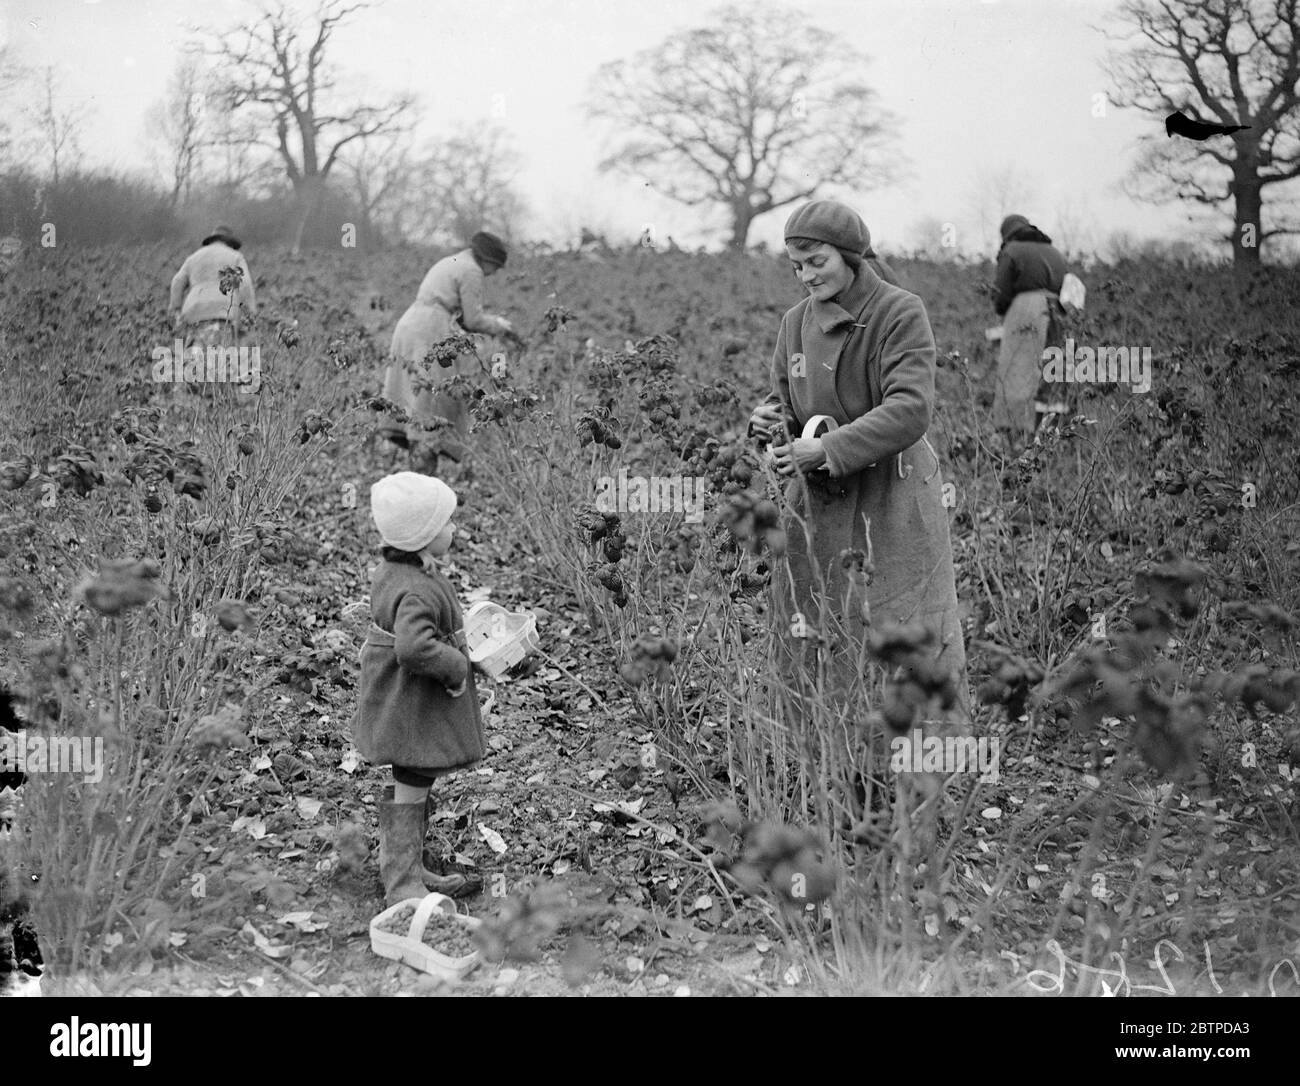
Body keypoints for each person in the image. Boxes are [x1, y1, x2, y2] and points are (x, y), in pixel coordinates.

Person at [749, 200, 970, 737]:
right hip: (820, 504)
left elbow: (909, 410)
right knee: (817, 623)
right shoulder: (795, 323)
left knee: (896, 623)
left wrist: (827, 450)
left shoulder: (899, 312)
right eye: (796, 266)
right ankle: (824, 757)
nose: (805, 276)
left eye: (816, 261)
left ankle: (912, 763)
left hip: (892, 498)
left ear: (849, 254)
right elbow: (787, 403)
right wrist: (767, 427)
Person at [352, 472, 485, 903]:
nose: (455, 529)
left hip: (404, 700)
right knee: (412, 776)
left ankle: (410, 867)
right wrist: (455, 665)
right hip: (410, 704)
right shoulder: (416, 590)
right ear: (423, 537)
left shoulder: (398, 571)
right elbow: (413, 648)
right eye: (446, 523)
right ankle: (402, 883)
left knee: (411, 781)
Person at [382, 231, 517, 467]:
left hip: (410, 324)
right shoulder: (472, 270)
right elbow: (473, 320)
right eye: (495, 268)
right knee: (432, 401)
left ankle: (416, 473)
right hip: (429, 330)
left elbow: (462, 317)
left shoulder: (453, 261)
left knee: (415, 400)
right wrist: (499, 326)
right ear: (489, 261)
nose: (494, 273)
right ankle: (422, 478)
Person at [990, 214, 1069, 438]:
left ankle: (1015, 432)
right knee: (1051, 372)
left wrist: (1003, 311)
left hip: (1026, 309)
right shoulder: (1054, 252)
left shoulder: (1012, 250)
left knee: (1018, 370)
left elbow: (1001, 293)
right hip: (1058, 312)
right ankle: (1052, 431)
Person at [168, 223, 256, 348]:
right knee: (218, 363)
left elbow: (177, 282)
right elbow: (245, 287)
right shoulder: (235, 256)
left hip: (192, 315)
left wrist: (175, 311)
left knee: (196, 363)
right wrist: (247, 322)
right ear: (230, 244)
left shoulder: (193, 258)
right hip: (222, 314)